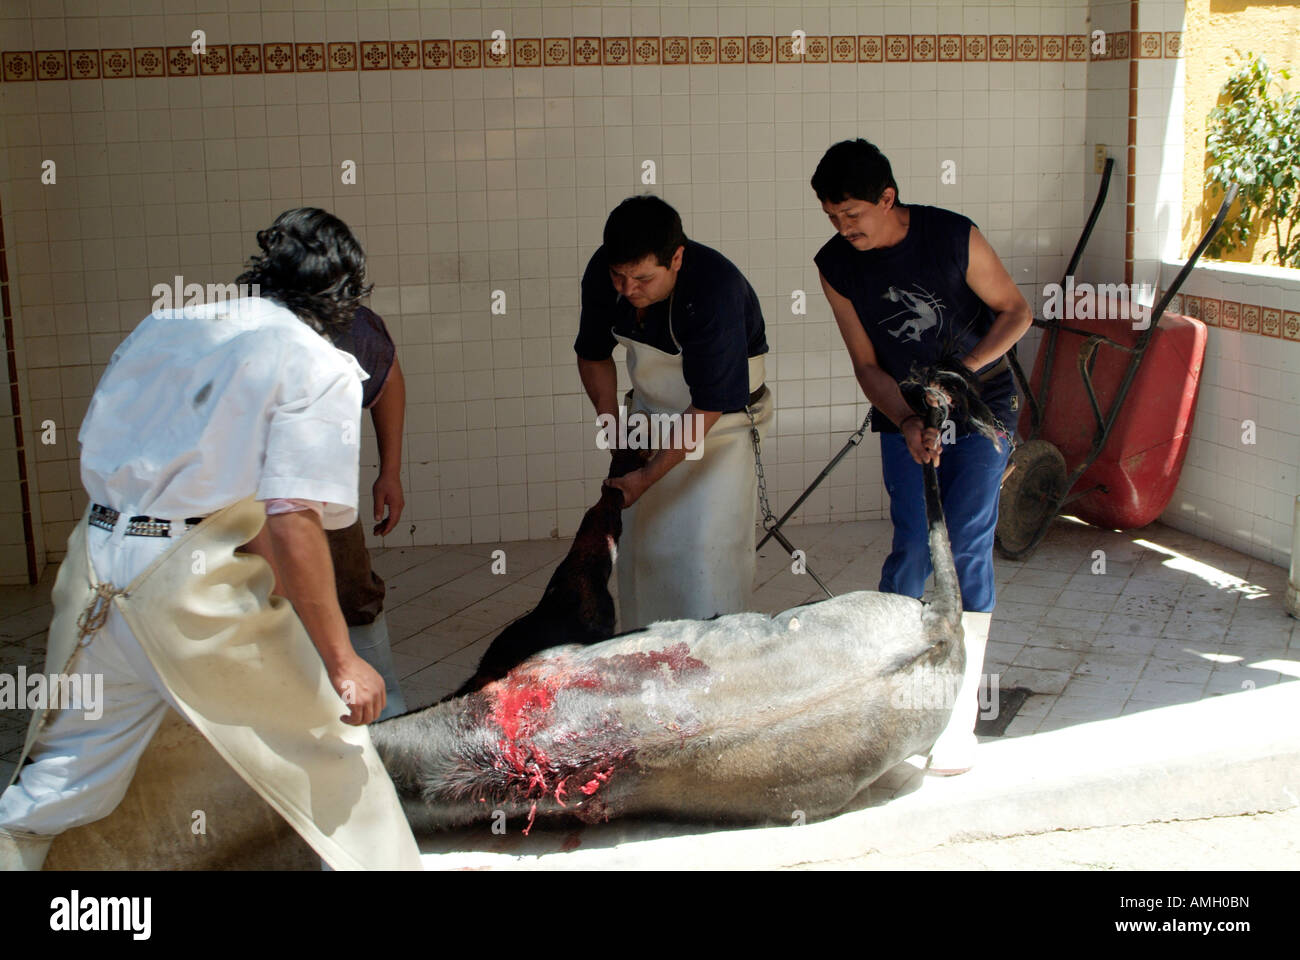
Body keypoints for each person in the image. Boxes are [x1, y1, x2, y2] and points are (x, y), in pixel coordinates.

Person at [0, 208, 422, 870]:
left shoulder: (163, 325)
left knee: (62, 780)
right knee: (331, 751)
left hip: (95, 560)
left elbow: (110, 446)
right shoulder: (319, 362)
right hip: (188, 582)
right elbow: (291, 520)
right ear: (344, 298)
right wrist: (340, 662)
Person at [810, 139, 1032, 774]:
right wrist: (907, 418)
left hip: (983, 404)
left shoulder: (952, 237)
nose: (844, 229)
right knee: (912, 542)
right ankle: (888, 701)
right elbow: (865, 363)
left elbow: (1016, 312)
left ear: (888, 198)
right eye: (832, 217)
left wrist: (960, 374)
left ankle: (958, 716)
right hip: (902, 409)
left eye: (854, 215)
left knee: (964, 543)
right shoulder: (835, 264)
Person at [575, 196, 773, 630]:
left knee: (703, 551)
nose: (627, 290)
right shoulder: (604, 273)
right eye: (619, 277)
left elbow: (708, 404)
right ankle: (646, 651)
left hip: (720, 430)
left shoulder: (713, 289)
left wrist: (646, 478)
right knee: (642, 550)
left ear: (677, 258)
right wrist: (612, 427)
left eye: (643, 279)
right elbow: (593, 355)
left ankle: (714, 661)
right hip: (648, 415)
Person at [327, 305, 408, 721]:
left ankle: (387, 708)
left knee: (351, 586)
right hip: (235, 498)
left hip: (320, 491)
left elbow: (387, 378)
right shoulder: (253, 339)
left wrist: (389, 471)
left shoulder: (352, 327)